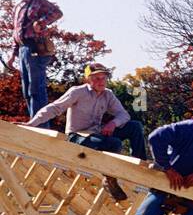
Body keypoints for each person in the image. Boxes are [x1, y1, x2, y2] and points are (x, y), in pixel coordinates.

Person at [27, 62, 147, 201]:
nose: (101, 81)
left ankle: (141, 169)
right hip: (77, 136)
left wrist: (113, 123)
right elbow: (54, 108)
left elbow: (124, 115)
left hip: (96, 133)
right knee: (114, 143)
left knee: (135, 126)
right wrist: (31, 123)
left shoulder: (108, 94)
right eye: (96, 78)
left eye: (103, 78)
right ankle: (109, 178)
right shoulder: (77, 92)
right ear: (88, 79)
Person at [10, 0, 63, 117]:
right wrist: (13, 55)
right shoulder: (17, 7)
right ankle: (34, 120)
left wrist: (41, 22)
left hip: (36, 48)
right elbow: (16, 32)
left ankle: (41, 125)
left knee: (36, 89)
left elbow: (57, 12)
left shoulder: (38, 2)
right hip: (23, 49)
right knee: (26, 90)